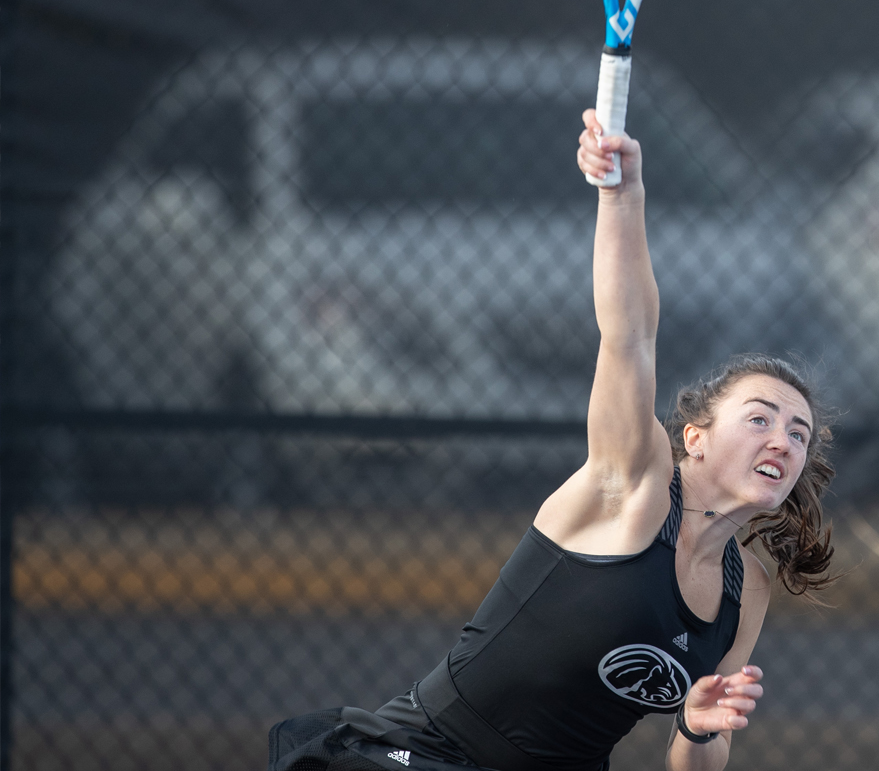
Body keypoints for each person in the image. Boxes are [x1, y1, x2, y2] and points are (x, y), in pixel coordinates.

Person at [269, 110, 836, 771]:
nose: (784, 441)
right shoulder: (635, 485)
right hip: (431, 754)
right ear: (696, 438)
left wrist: (701, 726)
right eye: (761, 418)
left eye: (799, 433)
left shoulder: (748, 594)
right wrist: (623, 196)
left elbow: (697, 755)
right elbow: (629, 337)